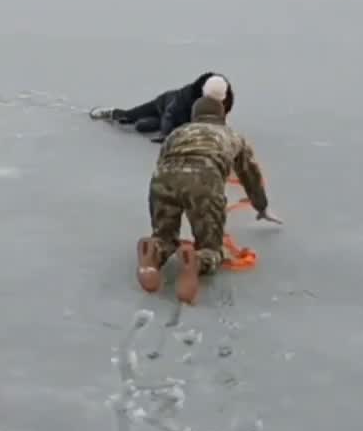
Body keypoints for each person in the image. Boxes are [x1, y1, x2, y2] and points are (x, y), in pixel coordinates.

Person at [136, 95, 282, 304]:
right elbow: (249, 174)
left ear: (194, 117)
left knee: (165, 236)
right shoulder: (232, 135)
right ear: (223, 117)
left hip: (164, 177)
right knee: (211, 248)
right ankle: (197, 259)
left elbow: (162, 160)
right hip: (204, 179)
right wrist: (262, 206)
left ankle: (154, 248)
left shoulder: (178, 132)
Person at [90, 72, 235, 143]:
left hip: (182, 122)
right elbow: (169, 114)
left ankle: (152, 124)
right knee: (129, 117)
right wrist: (165, 136)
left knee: (144, 126)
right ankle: (111, 113)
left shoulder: (226, 98)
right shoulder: (185, 97)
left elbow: (220, 117)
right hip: (163, 105)